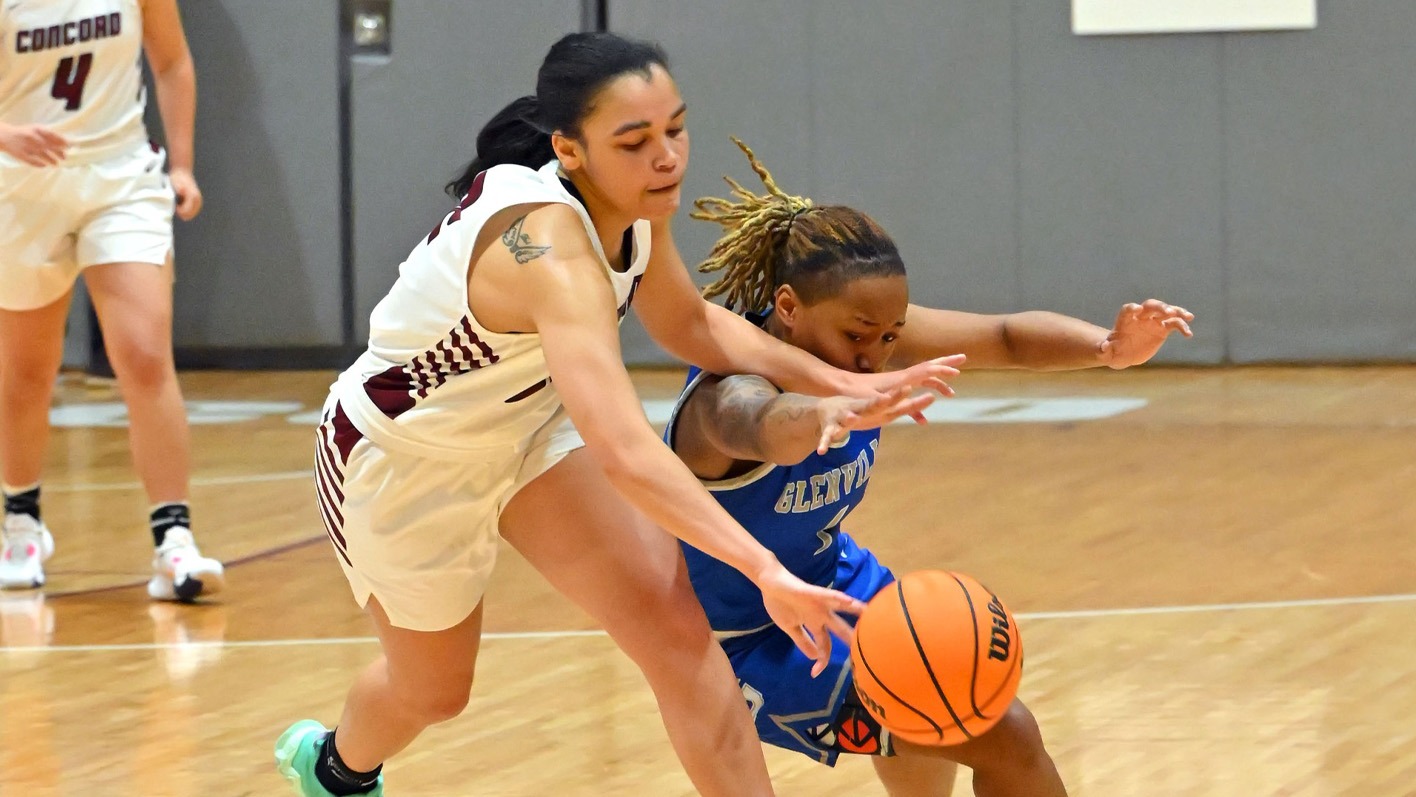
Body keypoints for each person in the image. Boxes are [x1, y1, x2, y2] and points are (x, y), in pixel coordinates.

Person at [274, 33, 962, 797]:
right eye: (635, 142)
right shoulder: (549, 254)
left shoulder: (633, 205)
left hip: (528, 432)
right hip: (402, 459)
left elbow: (689, 324)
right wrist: (764, 568)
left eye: (675, 128)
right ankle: (334, 769)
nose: (666, 158)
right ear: (569, 149)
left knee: (679, 635)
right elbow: (628, 453)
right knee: (434, 690)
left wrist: (835, 382)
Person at [664, 138, 1196, 797]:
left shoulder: (865, 335)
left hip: (835, 582)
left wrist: (1109, 348)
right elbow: (757, 422)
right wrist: (822, 412)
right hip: (747, 637)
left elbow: (1004, 338)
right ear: (790, 308)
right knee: (1004, 733)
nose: (874, 354)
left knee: (940, 703)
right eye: (858, 335)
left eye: (890, 335)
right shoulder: (725, 392)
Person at [0, 0, 224, 601]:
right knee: (26, 370)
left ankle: (174, 540)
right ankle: (21, 522)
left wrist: (182, 166)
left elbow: (172, 62)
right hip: (19, 185)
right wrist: (7, 135)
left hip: (120, 176)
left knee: (145, 356)